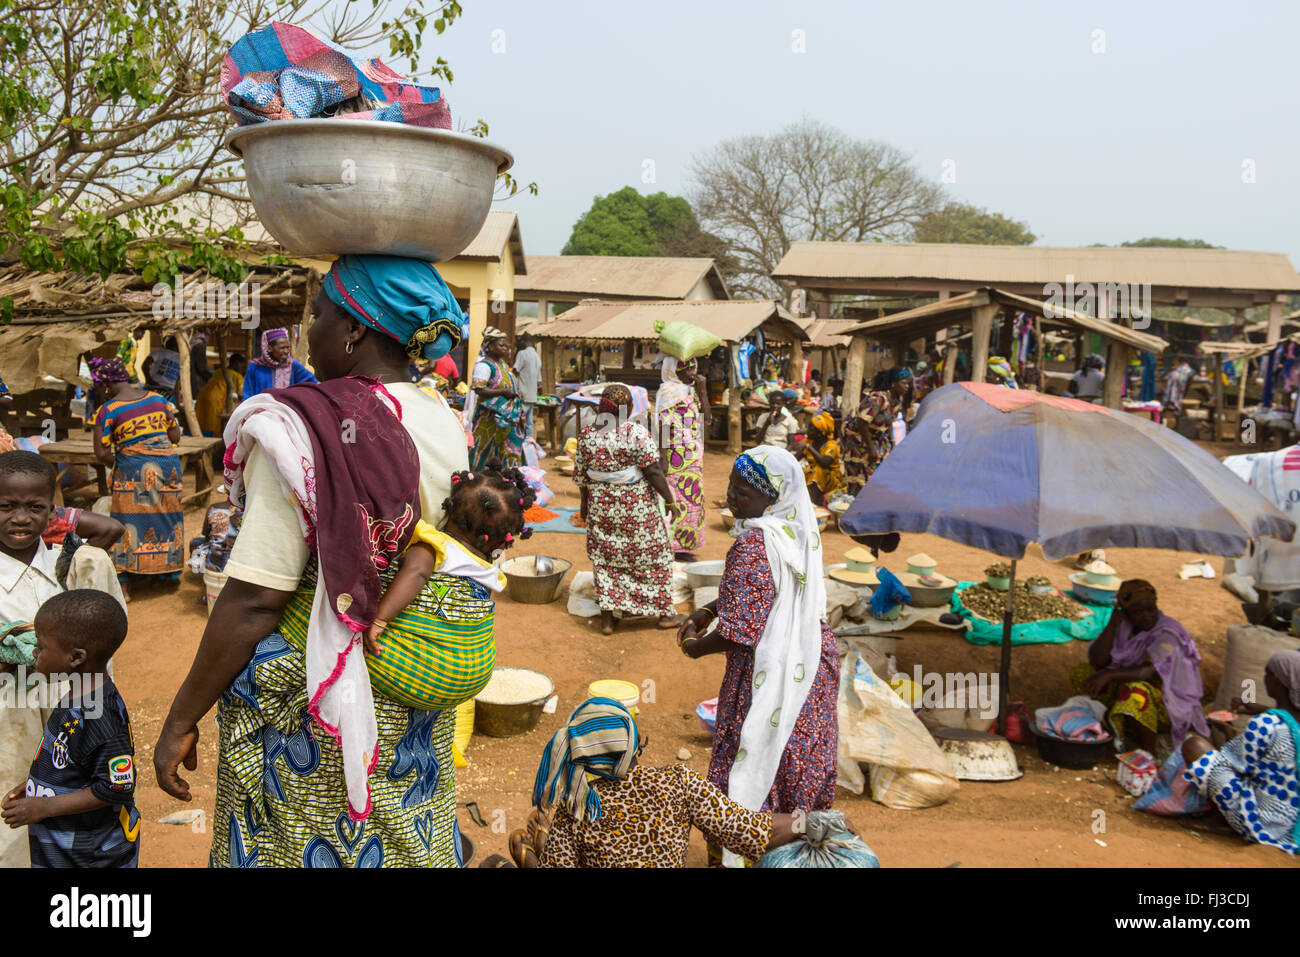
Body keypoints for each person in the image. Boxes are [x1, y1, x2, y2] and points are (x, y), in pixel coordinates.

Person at [154, 253, 472, 868]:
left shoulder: (307, 431)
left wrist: (180, 718)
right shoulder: (442, 417)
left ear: (353, 330)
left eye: (319, 314)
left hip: (314, 709)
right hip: (410, 689)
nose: (310, 331)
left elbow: (255, 600)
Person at [677, 446, 839, 867]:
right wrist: (709, 608)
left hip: (766, 673)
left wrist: (696, 647)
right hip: (807, 665)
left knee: (752, 761)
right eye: (731, 485)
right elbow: (769, 595)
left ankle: (741, 850)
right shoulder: (797, 532)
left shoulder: (753, 544)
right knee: (795, 761)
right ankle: (797, 850)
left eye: (744, 492)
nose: (732, 496)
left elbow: (740, 633)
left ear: (773, 496)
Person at [0, 451, 125, 868]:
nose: (20, 519)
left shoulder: (67, 564)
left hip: (75, 704)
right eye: (6, 507)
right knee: (13, 810)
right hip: (11, 707)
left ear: (51, 511)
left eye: (34, 508)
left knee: (81, 802)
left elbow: (110, 529)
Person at [531, 697, 824, 868]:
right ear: (633, 743)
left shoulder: (577, 807)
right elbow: (746, 832)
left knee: (504, 855)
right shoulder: (679, 783)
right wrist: (811, 821)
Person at [363, 467, 534, 709]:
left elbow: (417, 572)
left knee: (349, 646)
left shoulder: (436, 545)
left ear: (449, 508)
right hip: (474, 671)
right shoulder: (488, 569)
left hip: (426, 673)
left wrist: (380, 619)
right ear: (495, 542)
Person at [1, 590, 139, 867]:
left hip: (89, 856)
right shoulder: (79, 695)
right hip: (65, 847)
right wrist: (35, 787)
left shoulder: (101, 720)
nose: (35, 653)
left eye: (41, 646)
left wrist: (45, 806)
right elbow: (72, 763)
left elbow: (117, 788)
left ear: (75, 658)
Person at [574, 384, 682, 637]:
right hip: (637, 508)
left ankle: (608, 621)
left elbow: (582, 477)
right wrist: (670, 500)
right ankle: (665, 614)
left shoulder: (587, 434)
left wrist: (584, 507)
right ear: (630, 407)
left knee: (606, 559)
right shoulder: (636, 433)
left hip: (602, 507)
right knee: (653, 554)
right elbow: (653, 471)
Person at [1180, 651, 1300, 856]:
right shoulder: (1288, 724)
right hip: (1290, 824)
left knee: (1195, 747)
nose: (1264, 679)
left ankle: (1222, 820)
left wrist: (1226, 730)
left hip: (1261, 823)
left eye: (1268, 674)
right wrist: (1256, 710)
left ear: (1278, 681)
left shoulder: (1267, 724)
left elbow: (1233, 764)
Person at [1072, 579, 1209, 754]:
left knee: (1136, 694)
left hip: (1169, 701)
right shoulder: (1124, 627)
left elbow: (1147, 672)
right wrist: (1113, 625)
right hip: (1131, 684)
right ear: (1125, 612)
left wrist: (1108, 675)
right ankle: (1109, 727)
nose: (1146, 616)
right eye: (1137, 612)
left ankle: (1149, 755)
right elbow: (1098, 660)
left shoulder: (1168, 633)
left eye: (1151, 609)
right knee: (1083, 674)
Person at [90, 356, 185, 597]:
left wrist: (125, 463)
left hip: (131, 470)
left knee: (127, 523)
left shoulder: (106, 411)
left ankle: (124, 582)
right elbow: (174, 437)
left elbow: (101, 454)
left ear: (105, 385)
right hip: (167, 468)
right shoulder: (159, 400)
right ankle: (163, 576)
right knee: (166, 518)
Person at [655, 356, 710, 562]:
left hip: (693, 456)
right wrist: (663, 456)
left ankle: (684, 546)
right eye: (684, 370)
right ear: (671, 371)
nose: (690, 373)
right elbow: (662, 424)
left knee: (693, 499)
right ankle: (669, 545)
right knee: (674, 499)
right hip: (674, 454)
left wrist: (703, 388)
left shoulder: (692, 391)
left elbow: (708, 418)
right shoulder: (668, 391)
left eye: (692, 368)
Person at [842, 366, 913, 495]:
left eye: (908, 384)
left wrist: (892, 442)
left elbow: (889, 422)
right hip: (858, 437)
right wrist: (871, 448)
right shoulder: (878, 399)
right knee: (861, 473)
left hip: (877, 436)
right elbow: (862, 422)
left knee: (882, 469)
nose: (907, 386)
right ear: (893, 384)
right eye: (904, 383)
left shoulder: (897, 401)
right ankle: (857, 500)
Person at [466, 328, 526, 471]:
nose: (506, 348)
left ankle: (502, 480)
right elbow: (479, 389)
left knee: (501, 451)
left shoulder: (503, 365)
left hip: (505, 419)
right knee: (483, 448)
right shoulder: (484, 366)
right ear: (490, 346)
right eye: (501, 345)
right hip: (488, 418)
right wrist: (503, 392)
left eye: (507, 345)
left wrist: (516, 393)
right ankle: (476, 477)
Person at [241, 328, 316, 400]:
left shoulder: (292, 364)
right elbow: (247, 393)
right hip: (261, 410)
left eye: (287, 347)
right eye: (282, 348)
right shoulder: (255, 366)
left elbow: (311, 382)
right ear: (269, 348)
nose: (286, 351)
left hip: (285, 409)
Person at [792, 411, 843, 505]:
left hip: (830, 479)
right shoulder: (810, 441)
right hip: (815, 477)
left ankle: (814, 505)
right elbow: (794, 460)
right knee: (800, 473)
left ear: (819, 433)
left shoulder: (831, 445)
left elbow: (824, 463)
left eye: (811, 429)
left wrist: (808, 447)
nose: (807, 431)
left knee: (818, 471)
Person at [196, 352, 247, 436]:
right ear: (237, 363)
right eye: (242, 365)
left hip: (203, 395)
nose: (243, 368)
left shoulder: (219, 371)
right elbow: (241, 396)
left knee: (204, 421)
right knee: (215, 424)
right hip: (216, 399)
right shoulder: (237, 376)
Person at [513, 333, 542, 440]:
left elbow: (516, 370)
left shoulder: (522, 354)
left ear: (524, 342)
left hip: (522, 394)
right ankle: (529, 442)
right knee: (529, 421)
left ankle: (518, 440)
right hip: (532, 395)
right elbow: (539, 380)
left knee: (519, 419)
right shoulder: (537, 356)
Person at [142, 337, 182, 404]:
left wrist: (148, 379)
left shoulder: (159, 352)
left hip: (152, 388)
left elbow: (145, 365)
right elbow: (179, 380)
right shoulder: (182, 358)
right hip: (169, 393)